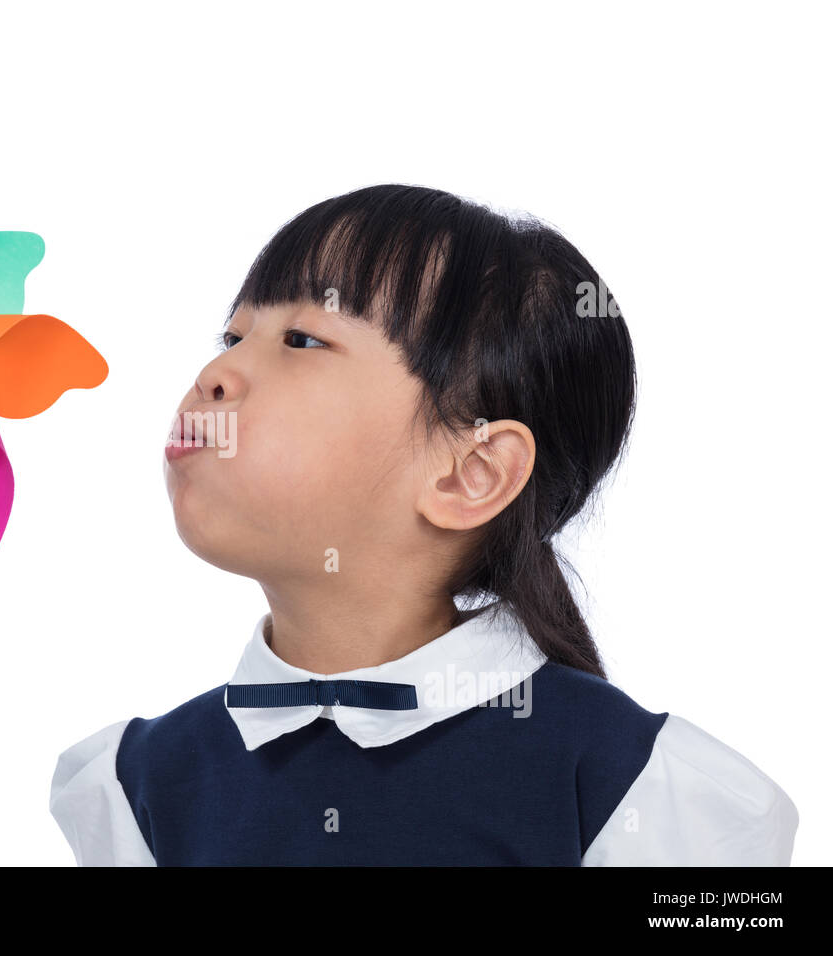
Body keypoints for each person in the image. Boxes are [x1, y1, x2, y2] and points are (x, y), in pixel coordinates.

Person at [48, 184, 799, 866]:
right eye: (233, 336)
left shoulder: (635, 790)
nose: (218, 373)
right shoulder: (140, 790)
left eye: (303, 340)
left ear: (470, 475)